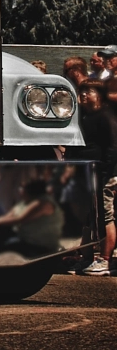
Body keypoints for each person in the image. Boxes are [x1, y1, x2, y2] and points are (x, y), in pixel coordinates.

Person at [74, 80, 117, 275]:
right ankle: (86, 257)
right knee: (87, 217)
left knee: (105, 216)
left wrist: (106, 172)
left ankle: (105, 259)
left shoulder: (106, 117)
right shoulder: (83, 116)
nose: (83, 95)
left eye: (88, 91)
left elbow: (112, 147)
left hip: (103, 174)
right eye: (81, 91)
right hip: (86, 172)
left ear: (99, 95)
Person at [0, 178, 63, 260]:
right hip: (23, 239)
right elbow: (8, 216)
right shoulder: (25, 202)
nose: (20, 190)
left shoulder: (42, 203)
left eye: (22, 188)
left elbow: (20, 218)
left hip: (39, 245)